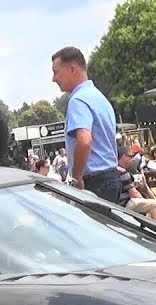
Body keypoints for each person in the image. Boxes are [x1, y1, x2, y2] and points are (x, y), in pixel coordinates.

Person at [52, 46, 120, 202]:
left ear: (72, 69)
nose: (53, 79)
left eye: (56, 72)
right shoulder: (99, 98)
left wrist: (76, 178)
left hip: (94, 182)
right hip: (110, 175)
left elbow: (84, 141)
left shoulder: (78, 100)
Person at [115, 145, 156, 220]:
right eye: (130, 157)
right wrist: (146, 200)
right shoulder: (122, 172)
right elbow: (134, 194)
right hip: (123, 203)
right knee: (155, 205)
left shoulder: (113, 169)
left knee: (146, 204)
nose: (132, 160)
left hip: (117, 202)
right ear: (124, 157)